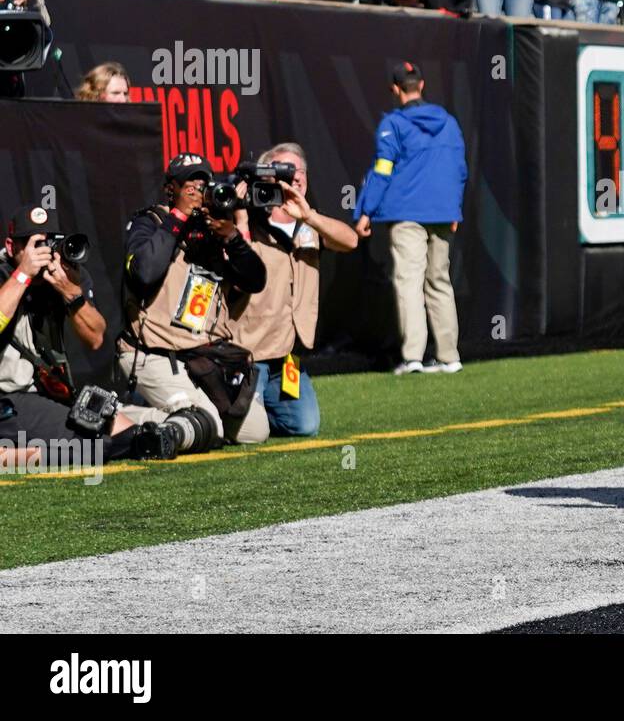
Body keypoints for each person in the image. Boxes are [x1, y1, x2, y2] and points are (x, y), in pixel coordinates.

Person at [0, 203, 175, 464]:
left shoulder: (65, 275)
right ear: (12, 247)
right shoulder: (6, 273)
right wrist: (23, 274)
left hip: (47, 392)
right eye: (33, 245)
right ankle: (7, 457)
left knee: (127, 434)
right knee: (93, 447)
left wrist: (71, 294)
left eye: (48, 243)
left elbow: (95, 338)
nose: (42, 253)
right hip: (7, 397)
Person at [118, 153, 269, 449]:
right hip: (156, 353)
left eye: (203, 182)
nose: (199, 190)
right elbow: (144, 273)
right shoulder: (149, 223)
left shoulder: (215, 228)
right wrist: (179, 217)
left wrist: (232, 237)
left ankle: (173, 410)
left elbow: (256, 281)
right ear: (170, 189)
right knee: (207, 423)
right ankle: (119, 417)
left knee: (256, 431)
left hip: (203, 356)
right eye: (190, 184)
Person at [230, 144, 358, 437]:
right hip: (250, 354)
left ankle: (257, 413)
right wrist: (242, 221)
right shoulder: (250, 222)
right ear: (266, 178)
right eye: (283, 170)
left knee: (305, 425)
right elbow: (240, 272)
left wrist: (309, 216)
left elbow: (350, 241)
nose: (294, 176)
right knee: (247, 432)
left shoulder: (310, 227)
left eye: (298, 170)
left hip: (287, 357)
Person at [354, 63, 467, 376]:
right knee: (440, 281)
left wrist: (366, 212)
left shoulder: (394, 123)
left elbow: (382, 170)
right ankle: (449, 357)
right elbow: (459, 168)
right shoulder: (448, 121)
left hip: (407, 213)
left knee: (409, 281)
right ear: (422, 85)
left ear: (395, 89)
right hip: (443, 213)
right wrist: (455, 208)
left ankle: (414, 357)